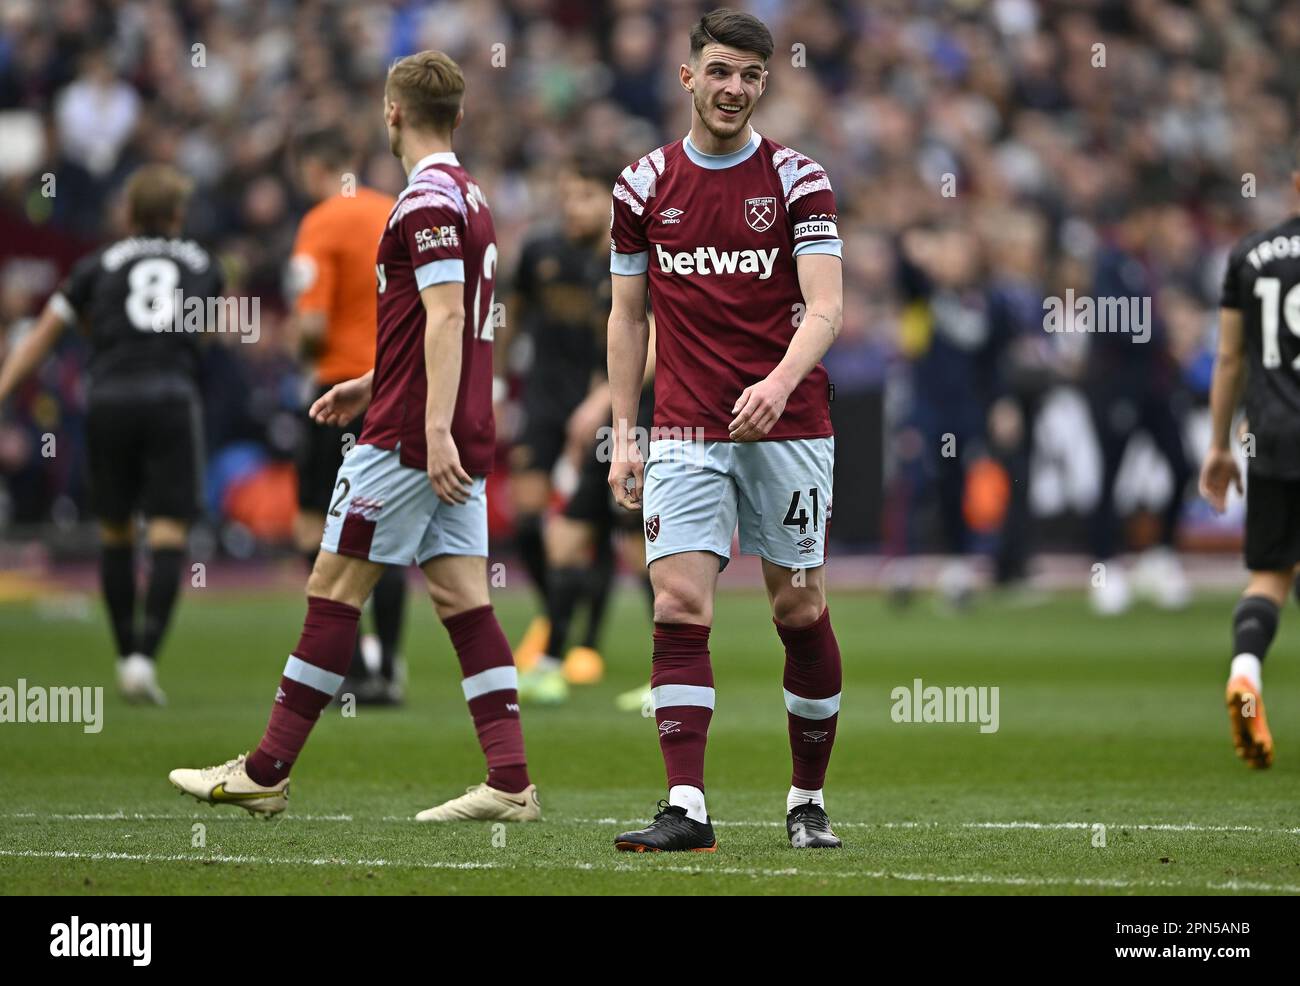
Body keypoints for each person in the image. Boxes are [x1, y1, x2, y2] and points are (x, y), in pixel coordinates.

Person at [168, 51, 539, 822]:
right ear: (460, 116)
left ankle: (266, 770)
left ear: (391, 112)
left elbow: (443, 316)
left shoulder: (426, 200)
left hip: (413, 433)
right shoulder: (472, 195)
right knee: (463, 597)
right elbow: (459, 323)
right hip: (455, 417)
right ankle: (510, 781)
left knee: (332, 589)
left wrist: (426, 425)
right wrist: (376, 381)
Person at [605, 9, 845, 851]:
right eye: (719, 72)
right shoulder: (640, 187)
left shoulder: (798, 180)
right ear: (688, 77)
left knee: (798, 606)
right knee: (676, 601)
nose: (734, 89)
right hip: (684, 429)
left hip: (789, 429)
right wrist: (624, 432)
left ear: (765, 83)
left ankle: (806, 800)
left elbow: (826, 307)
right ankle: (687, 808)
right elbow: (627, 316)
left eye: (749, 76)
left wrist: (778, 384)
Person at [0, 164, 220, 704]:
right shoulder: (204, 264)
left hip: (110, 397)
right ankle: (146, 656)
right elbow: (206, 335)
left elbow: (43, 337)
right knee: (168, 533)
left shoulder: (94, 263)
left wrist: (3, 390)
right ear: (175, 214)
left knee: (116, 532)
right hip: (171, 395)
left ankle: (124, 656)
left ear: (127, 213)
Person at [287, 128, 406, 704]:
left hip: (338, 393)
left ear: (313, 168)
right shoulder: (394, 209)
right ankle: (390, 666)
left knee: (317, 526)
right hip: (397, 386)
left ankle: (355, 667)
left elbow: (311, 327)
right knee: (389, 531)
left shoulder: (319, 223)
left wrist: (299, 351)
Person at [1199, 156, 1300, 769]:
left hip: (1273, 439)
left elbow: (1231, 360)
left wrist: (1218, 445)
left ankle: (1245, 672)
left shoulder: (1250, 254)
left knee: (1270, 574)